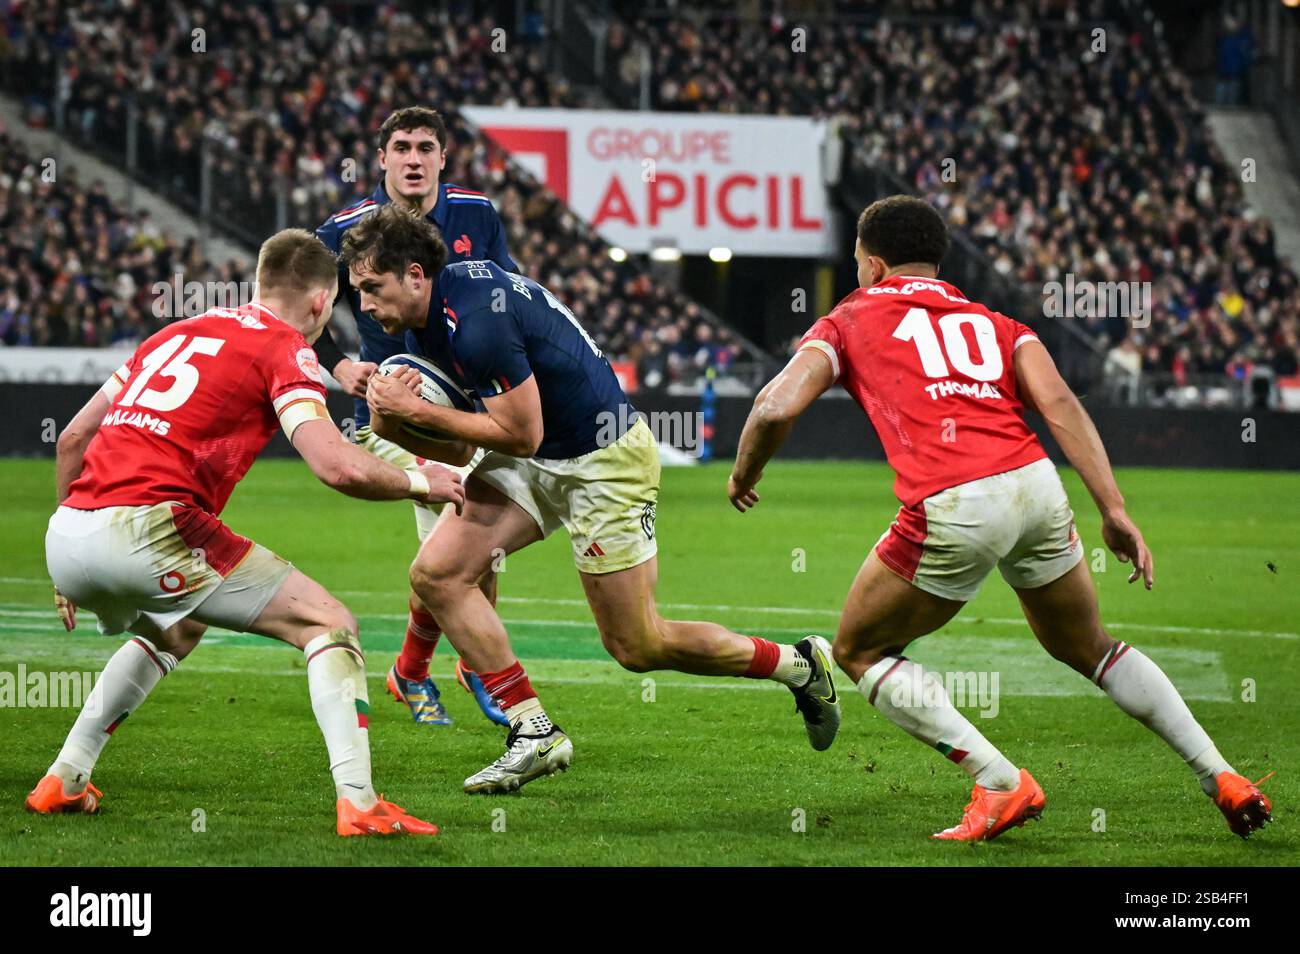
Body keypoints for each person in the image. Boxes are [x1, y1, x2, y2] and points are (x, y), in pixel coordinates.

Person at [729, 195, 1274, 842]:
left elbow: (773, 407)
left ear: (872, 266)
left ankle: (998, 780)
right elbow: (1061, 403)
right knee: (1091, 649)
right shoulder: (996, 323)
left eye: (855, 263)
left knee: (858, 649)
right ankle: (1222, 776)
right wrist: (1113, 508)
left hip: (955, 500)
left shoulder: (848, 317)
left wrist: (746, 473)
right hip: (1036, 485)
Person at [347, 205, 841, 794]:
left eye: (373, 288)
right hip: (537, 456)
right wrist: (391, 422)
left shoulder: (476, 322)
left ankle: (797, 665)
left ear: (415, 275)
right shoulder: (435, 314)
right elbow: (461, 451)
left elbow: (518, 431)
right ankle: (534, 731)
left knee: (637, 645)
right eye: (357, 291)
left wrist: (417, 412)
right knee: (438, 573)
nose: (366, 305)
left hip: (602, 461)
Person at [28, 229, 465, 837]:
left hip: (69, 534)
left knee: (179, 624)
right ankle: (360, 803)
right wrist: (424, 481)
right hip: (151, 527)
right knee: (329, 622)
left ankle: (65, 779)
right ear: (320, 304)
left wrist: (65, 556)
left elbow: (74, 438)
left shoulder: (174, 333)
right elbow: (335, 465)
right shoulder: (286, 349)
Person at [313, 106, 517, 727]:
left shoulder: (477, 213)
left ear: (442, 158)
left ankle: (412, 669)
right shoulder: (347, 228)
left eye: (425, 147)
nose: (413, 158)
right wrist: (338, 365)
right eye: (400, 146)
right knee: (458, 530)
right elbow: (294, 306)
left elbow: (506, 292)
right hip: (394, 405)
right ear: (381, 158)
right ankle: (478, 669)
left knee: (473, 543)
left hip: (468, 403)